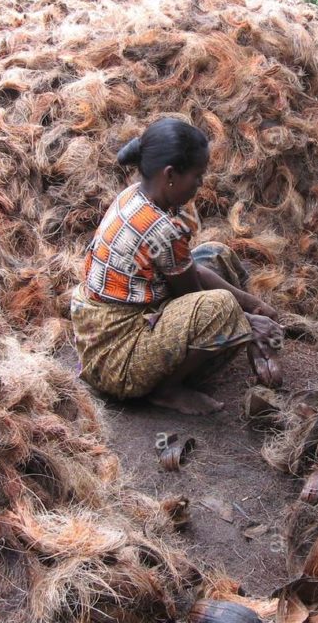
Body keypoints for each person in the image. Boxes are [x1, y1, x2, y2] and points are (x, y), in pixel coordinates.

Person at [71, 117, 283, 415]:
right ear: (170, 175)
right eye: (197, 176)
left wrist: (253, 305)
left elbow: (191, 271)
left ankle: (249, 336)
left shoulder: (131, 196)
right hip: (115, 359)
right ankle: (166, 390)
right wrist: (248, 321)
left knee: (214, 253)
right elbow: (194, 296)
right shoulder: (162, 229)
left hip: (105, 332)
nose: (200, 185)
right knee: (220, 308)